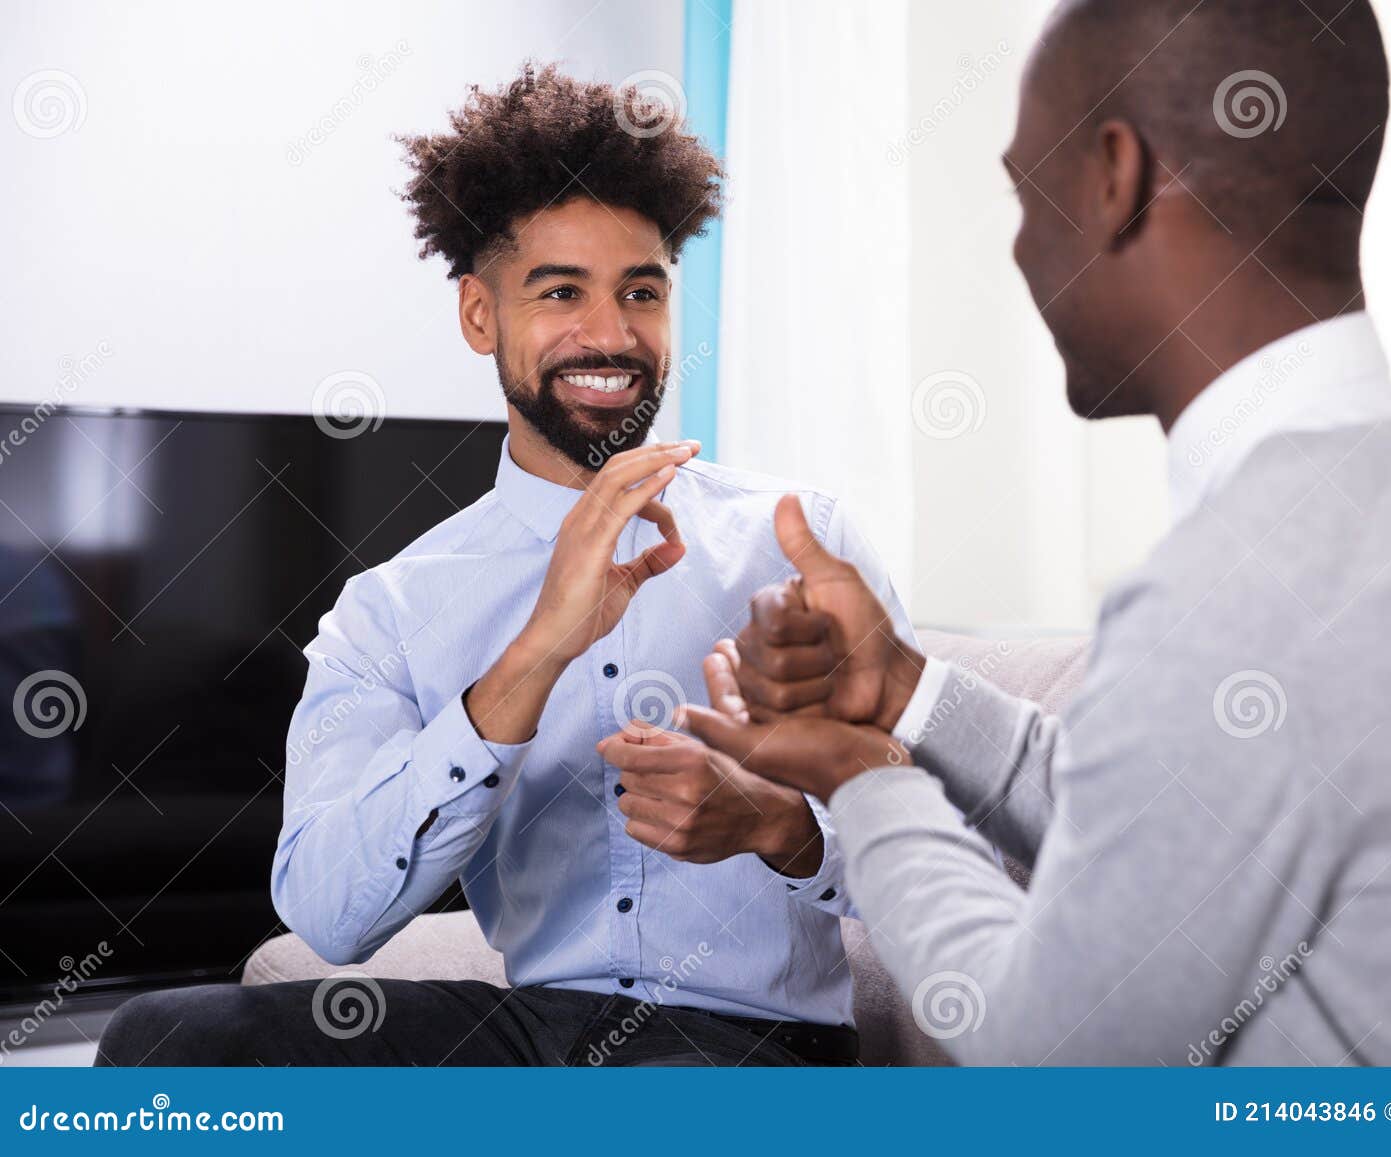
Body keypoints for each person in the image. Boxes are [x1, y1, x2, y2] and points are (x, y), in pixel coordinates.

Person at [680, 0, 1391, 1065]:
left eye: (1027, 196)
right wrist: (900, 686)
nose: (1022, 252)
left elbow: (1047, 1053)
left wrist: (861, 775)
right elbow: (1171, 826)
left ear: (1113, 179)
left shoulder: (1238, 585)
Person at [96, 63, 910, 1067]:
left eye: (640, 292)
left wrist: (780, 826)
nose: (610, 334)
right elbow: (325, 912)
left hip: (747, 1045)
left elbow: (937, 863)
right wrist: (536, 651)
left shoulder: (799, 538)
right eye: (560, 290)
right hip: (525, 1034)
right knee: (164, 1040)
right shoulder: (391, 608)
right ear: (481, 315)